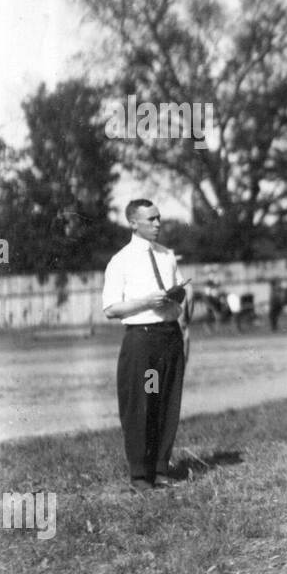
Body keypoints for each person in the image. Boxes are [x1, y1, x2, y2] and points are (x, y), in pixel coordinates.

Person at [101, 200, 189, 494]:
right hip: (143, 340)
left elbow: (180, 293)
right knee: (143, 405)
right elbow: (111, 309)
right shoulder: (121, 260)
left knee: (167, 401)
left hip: (169, 337)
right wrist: (146, 302)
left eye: (159, 218)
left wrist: (178, 296)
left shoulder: (167, 256)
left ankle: (161, 469)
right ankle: (141, 475)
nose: (157, 224)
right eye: (150, 219)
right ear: (133, 223)